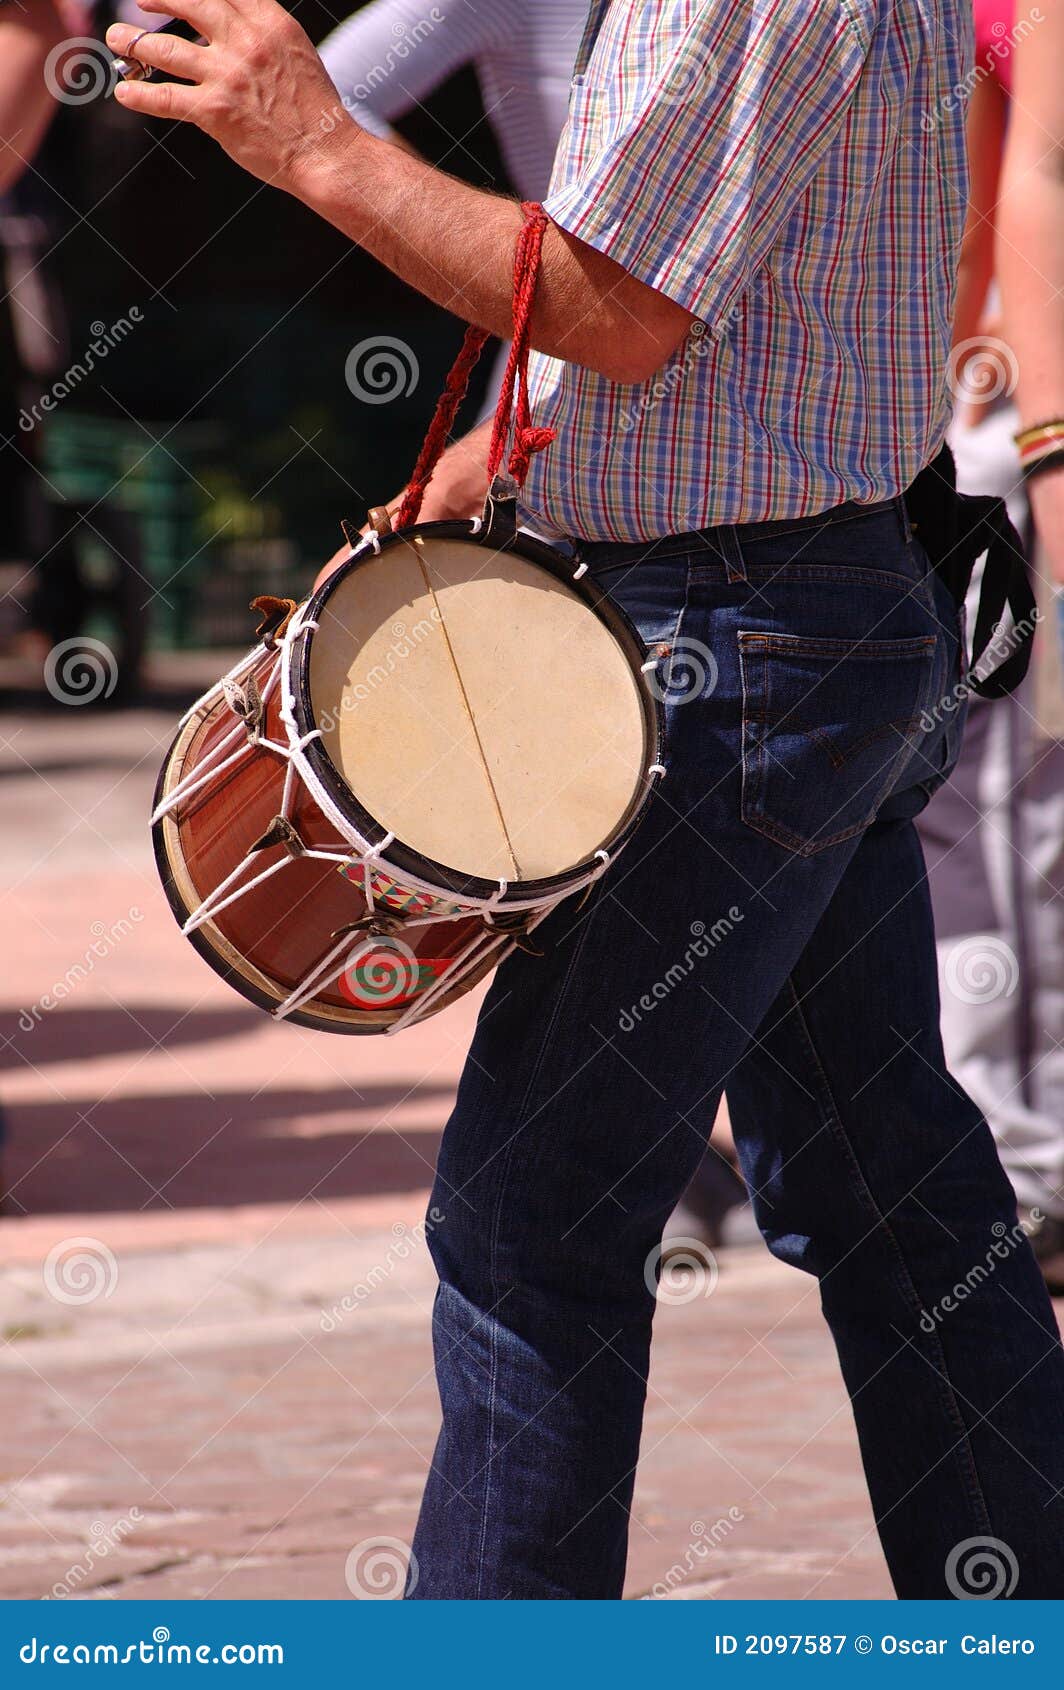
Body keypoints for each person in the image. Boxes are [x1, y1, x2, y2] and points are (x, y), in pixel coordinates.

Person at [105, 0, 1064, 1599]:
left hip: (735, 643)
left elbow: (617, 306)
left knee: (531, 1231)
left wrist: (317, 145)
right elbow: (721, 289)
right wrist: (519, 454)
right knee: (891, 1194)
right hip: (812, 610)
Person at [916, 0, 1064, 1295]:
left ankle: (1019, 1162)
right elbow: (1003, 190)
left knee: (1007, 816)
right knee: (999, 812)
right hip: (1016, 438)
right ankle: (1012, 1163)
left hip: (1008, 430)